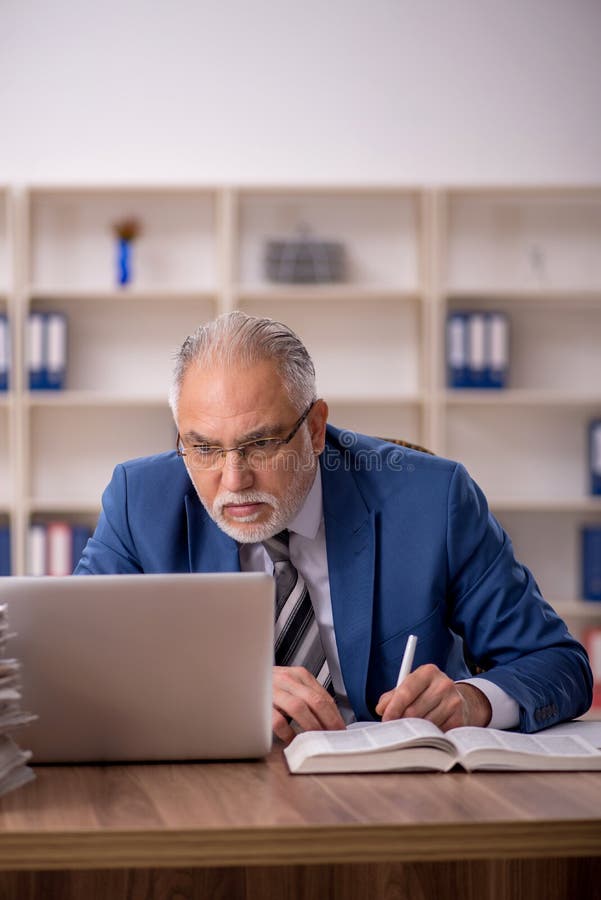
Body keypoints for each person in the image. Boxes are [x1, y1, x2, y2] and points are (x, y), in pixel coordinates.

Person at [75, 312, 592, 742]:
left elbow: (558, 663)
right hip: (215, 790)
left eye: (261, 444)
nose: (234, 479)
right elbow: (75, 663)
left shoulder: (434, 499)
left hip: (393, 793)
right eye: (204, 447)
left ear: (316, 428)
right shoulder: (141, 501)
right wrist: (227, 691)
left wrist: (473, 701)